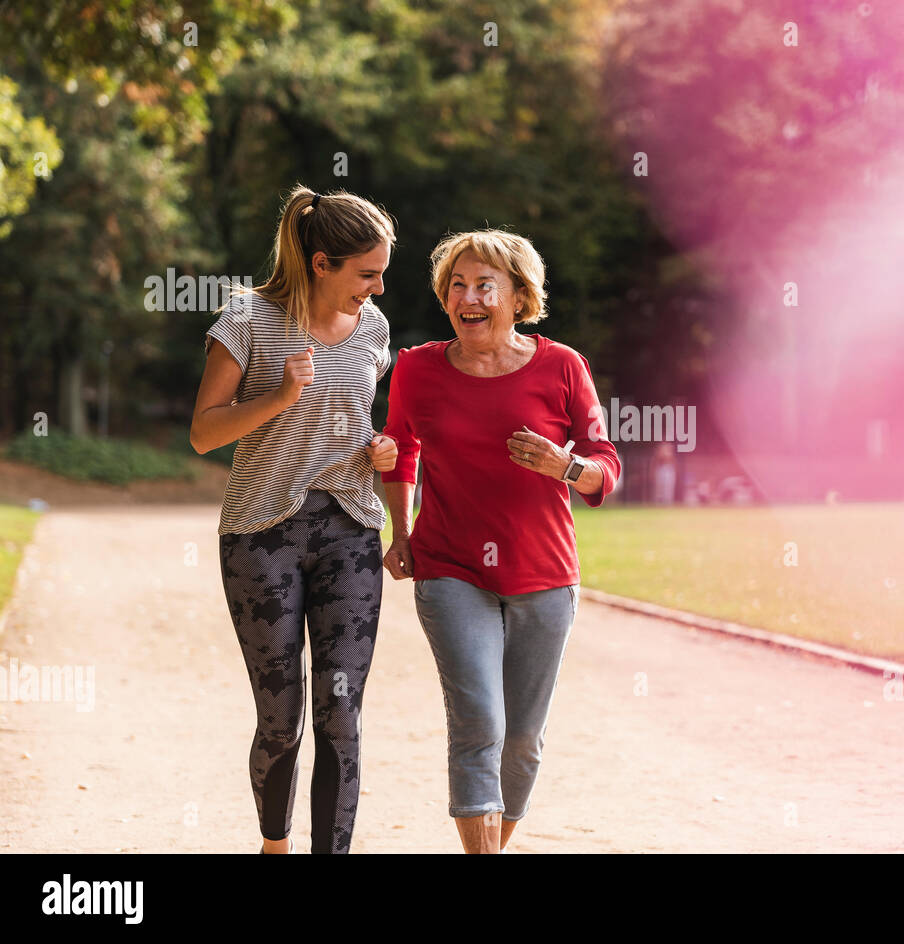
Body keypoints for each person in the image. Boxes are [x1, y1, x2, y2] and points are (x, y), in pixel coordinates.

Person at [381, 229, 621, 854]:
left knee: (522, 739)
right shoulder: (418, 368)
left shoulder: (563, 366)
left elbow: (605, 466)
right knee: (479, 725)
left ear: (518, 296)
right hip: (450, 568)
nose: (468, 297)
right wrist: (401, 534)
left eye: (484, 284)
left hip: (544, 574)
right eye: (456, 286)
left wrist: (563, 467)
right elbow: (400, 453)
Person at [189, 185, 398, 854]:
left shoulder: (372, 329)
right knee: (281, 720)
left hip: (351, 531)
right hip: (261, 534)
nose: (379, 288)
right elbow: (203, 433)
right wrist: (280, 394)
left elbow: (357, 418)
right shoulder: (248, 319)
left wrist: (382, 445)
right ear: (320, 263)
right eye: (367, 273)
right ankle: (274, 843)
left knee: (341, 715)